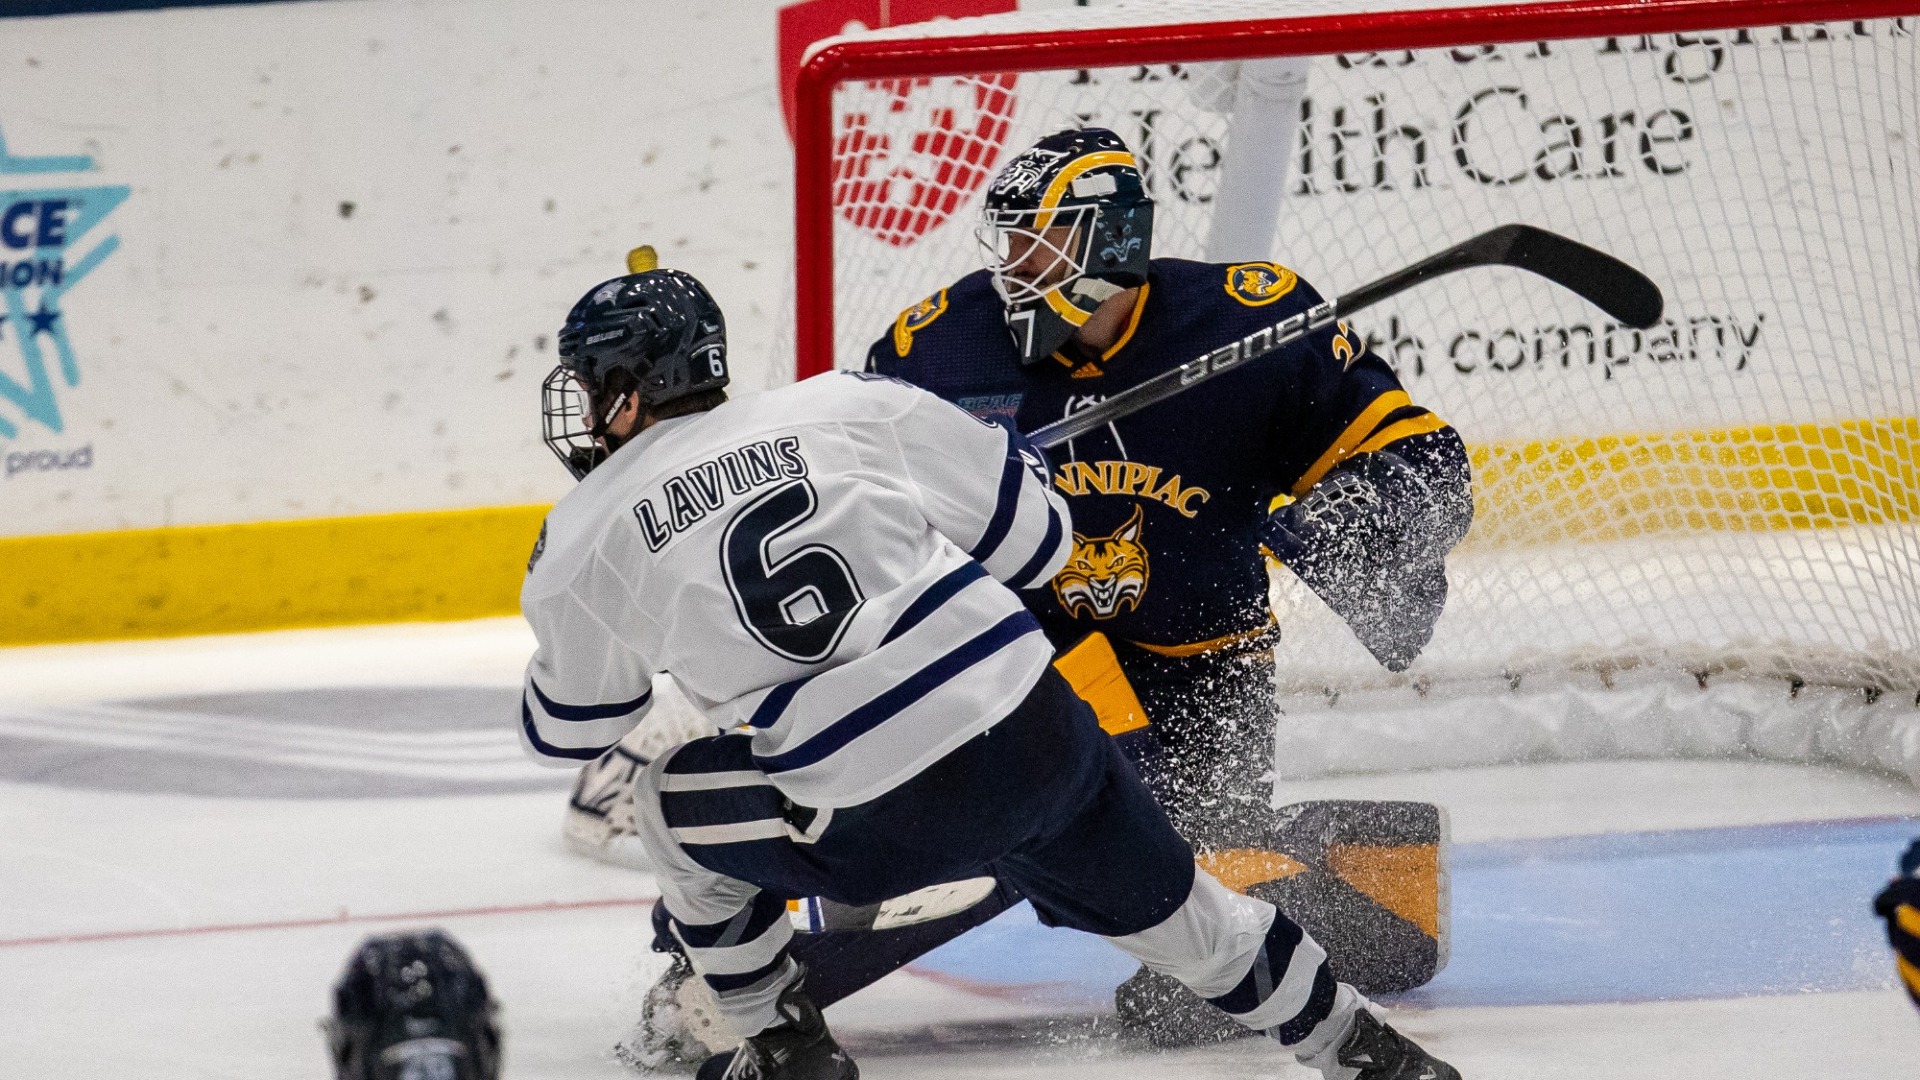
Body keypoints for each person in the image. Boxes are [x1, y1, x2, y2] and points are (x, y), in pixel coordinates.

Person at [519, 264, 1465, 1080]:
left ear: (629, 392)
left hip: (871, 812)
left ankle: (778, 1042)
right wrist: (990, 471)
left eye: (592, 385)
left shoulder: (583, 530)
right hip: (1044, 740)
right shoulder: (847, 402)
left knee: (668, 806)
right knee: (1198, 927)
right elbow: (1044, 540)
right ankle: (1369, 1054)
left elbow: (574, 727)